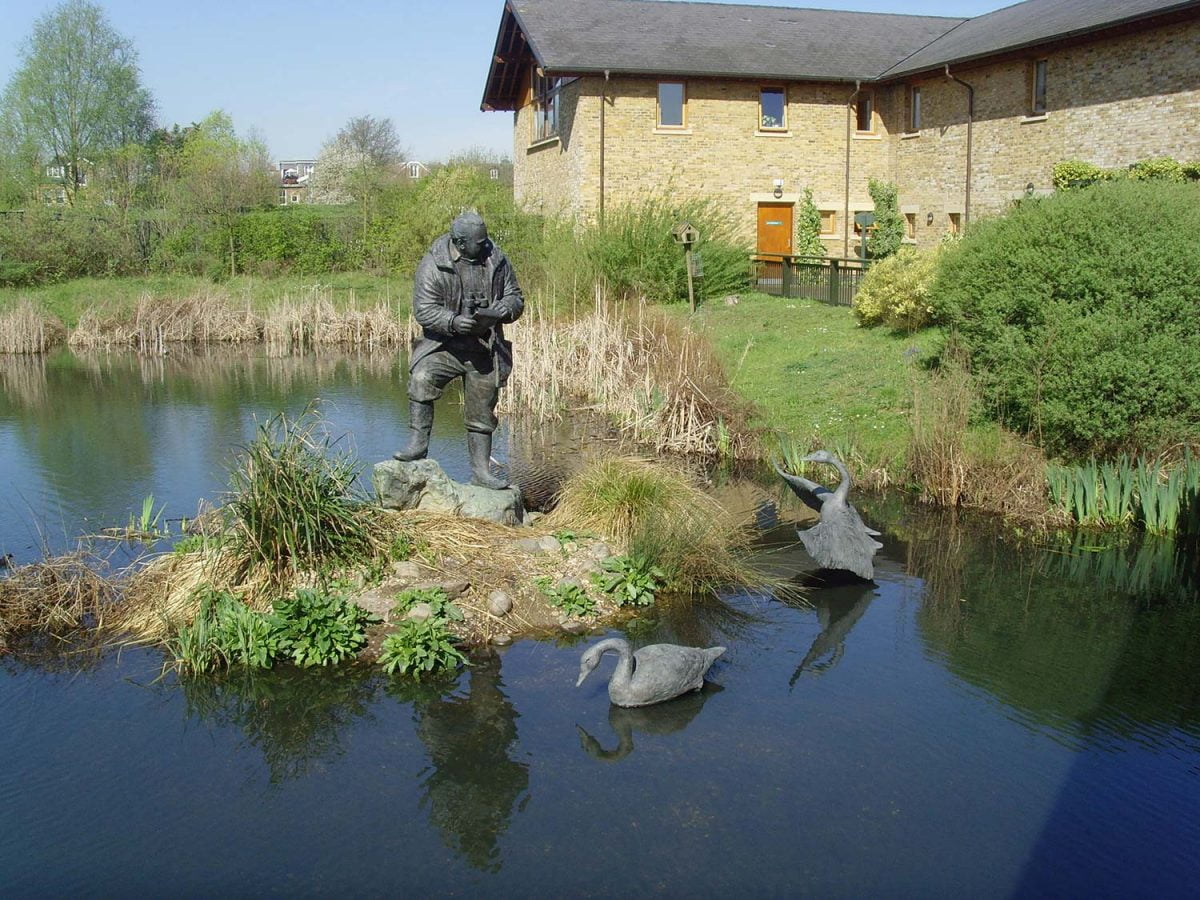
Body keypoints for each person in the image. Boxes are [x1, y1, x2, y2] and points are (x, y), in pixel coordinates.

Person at [394, 212, 524, 489]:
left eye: (485, 238)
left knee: (482, 409)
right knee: (421, 379)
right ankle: (418, 445)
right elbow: (425, 310)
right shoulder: (433, 264)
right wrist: (453, 322)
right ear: (460, 243)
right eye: (479, 241)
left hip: (484, 347)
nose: (485, 243)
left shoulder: (496, 259)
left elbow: (516, 297)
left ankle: (481, 472)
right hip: (444, 346)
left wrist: (505, 308)